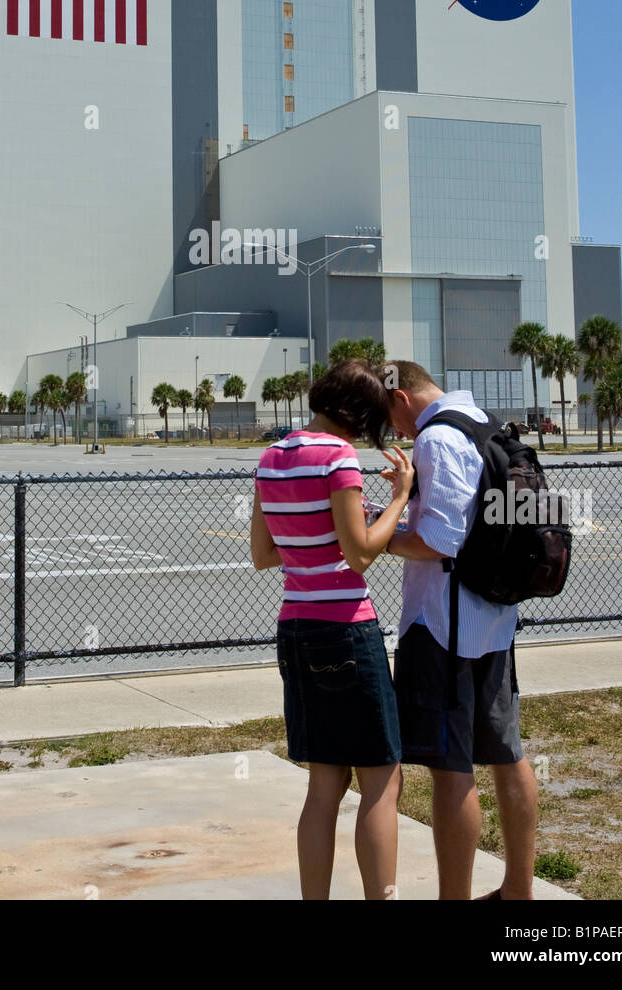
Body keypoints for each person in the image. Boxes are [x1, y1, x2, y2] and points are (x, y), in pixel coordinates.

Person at [249, 358, 414, 900]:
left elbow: (263, 554)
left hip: (296, 627)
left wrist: (319, 529)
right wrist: (397, 499)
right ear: (360, 413)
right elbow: (361, 555)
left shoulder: (272, 457)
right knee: (382, 779)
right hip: (346, 629)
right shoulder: (339, 456)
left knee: (324, 786)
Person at [383, 361, 537, 901]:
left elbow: (439, 541)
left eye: (390, 419)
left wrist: (380, 535)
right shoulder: (485, 422)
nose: (396, 434)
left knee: (451, 770)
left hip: (442, 626)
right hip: (496, 619)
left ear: (401, 397)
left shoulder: (438, 437)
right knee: (507, 755)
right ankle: (519, 890)